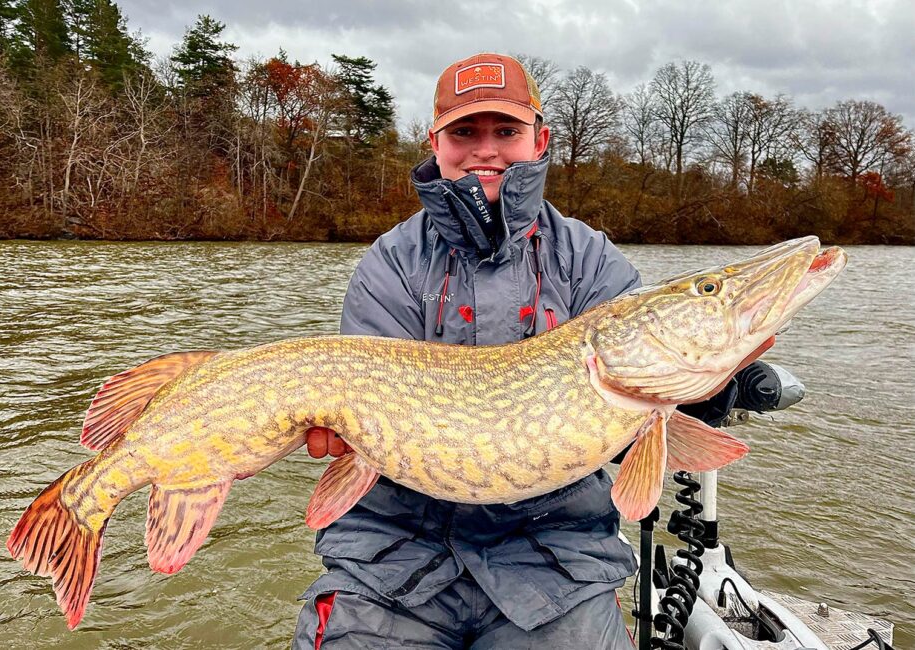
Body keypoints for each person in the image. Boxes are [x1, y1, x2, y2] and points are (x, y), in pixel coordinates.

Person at [291, 52, 734, 649]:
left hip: (557, 558)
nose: (486, 150)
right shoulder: (391, 262)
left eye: (506, 131)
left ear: (539, 139)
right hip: (392, 557)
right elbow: (364, 413)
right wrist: (349, 431)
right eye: (464, 132)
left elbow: (635, 409)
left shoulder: (587, 258)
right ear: (436, 143)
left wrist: (711, 384)